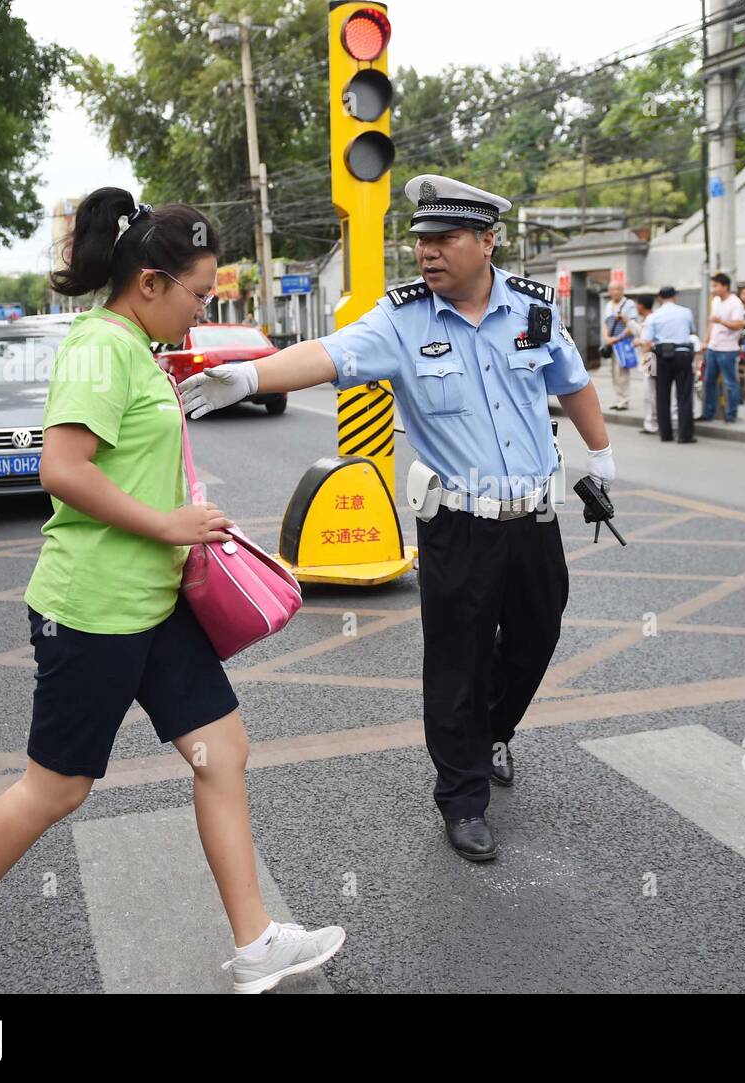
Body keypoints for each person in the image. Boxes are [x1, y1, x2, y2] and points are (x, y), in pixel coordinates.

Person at [0, 187, 345, 996]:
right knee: (57, 786)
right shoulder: (103, 346)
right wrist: (168, 524)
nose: (201, 311)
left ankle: (256, 945)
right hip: (94, 608)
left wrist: (177, 524)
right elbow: (61, 467)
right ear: (149, 282)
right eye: (198, 294)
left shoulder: (137, 346)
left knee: (222, 751)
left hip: (156, 604)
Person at [178, 174, 614, 863]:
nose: (428, 253)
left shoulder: (533, 310)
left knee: (536, 637)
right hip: (458, 525)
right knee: (456, 663)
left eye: (445, 240)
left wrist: (602, 455)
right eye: (421, 241)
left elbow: (573, 382)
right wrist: (254, 376)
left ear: (487, 242)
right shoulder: (402, 319)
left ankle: (492, 731)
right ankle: (462, 796)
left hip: (533, 520)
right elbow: (326, 354)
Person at [638, 285, 697, 442]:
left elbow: (647, 343)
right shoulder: (686, 312)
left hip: (662, 357)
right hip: (683, 354)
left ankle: (666, 434)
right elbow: (691, 332)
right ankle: (685, 435)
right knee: (684, 396)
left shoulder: (654, 316)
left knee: (662, 396)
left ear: (659, 298)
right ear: (675, 296)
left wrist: (647, 366)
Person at [702, 273, 745, 422]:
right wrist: (706, 341)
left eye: (715, 286)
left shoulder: (735, 303)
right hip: (713, 347)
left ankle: (731, 414)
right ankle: (709, 413)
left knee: (730, 383)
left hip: (728, 349)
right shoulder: (715, 301)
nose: (713, 289)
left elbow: (738, 324)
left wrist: (721, 321)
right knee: (708, 382)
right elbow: (711, 323)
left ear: (725, 287)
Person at [601, 280, 638, 411]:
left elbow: (632, 325)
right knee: (614, 373)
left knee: (622, 372)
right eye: (612, 289)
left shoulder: (629, 304)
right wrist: (607, 338)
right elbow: (606, 324)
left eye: (618, 289)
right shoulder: (608, 305)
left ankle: (624, 400)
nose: (615, 292)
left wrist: (617, 338)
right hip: (612, 343)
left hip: (623, 342)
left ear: (622, 290)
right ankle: (618, 399)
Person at [634, 294, 658, 434]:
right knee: (651, 392)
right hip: (650, 357)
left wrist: (638, 342)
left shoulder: (649, 320)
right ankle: (651, 422)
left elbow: (647, 343)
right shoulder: (650, 319)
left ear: (641, 306)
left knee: (649, 393)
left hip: (649, 357)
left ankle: (651, 423)